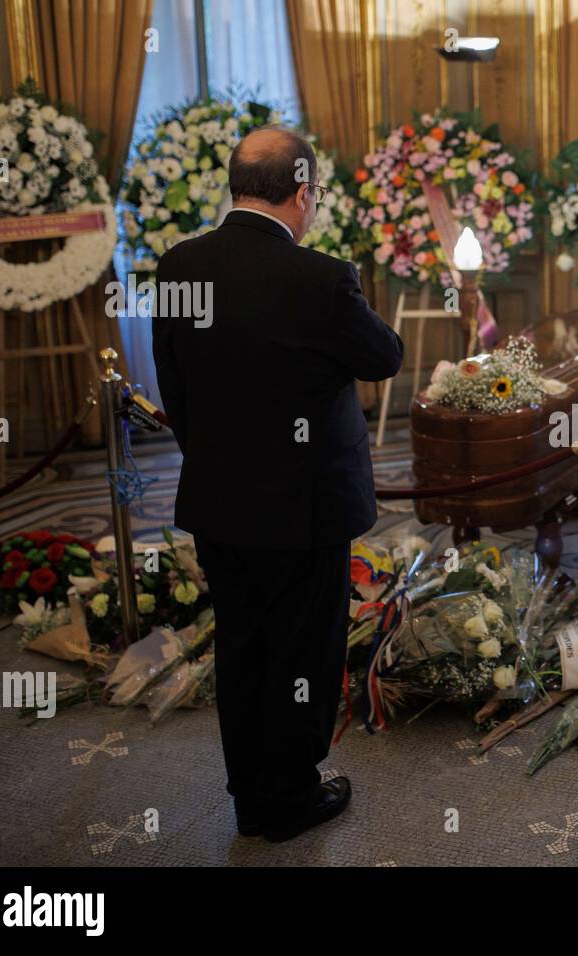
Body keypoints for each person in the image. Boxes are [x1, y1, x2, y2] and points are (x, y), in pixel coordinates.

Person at [153, 127, 403, 842]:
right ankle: (289, 798)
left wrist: (213, 457)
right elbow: (384, 356)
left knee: (242, 646)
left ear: (236, 185)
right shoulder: (319, 278)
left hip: (219, 501)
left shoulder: (177, 268)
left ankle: (249, 793)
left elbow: (176, 387)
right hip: (304, 508)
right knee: (302, 651)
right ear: (302, 193)